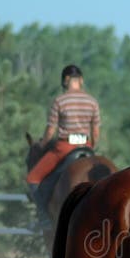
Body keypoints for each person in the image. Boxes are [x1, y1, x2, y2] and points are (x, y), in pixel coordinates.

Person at [26, 64, 101, 228]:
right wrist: (91, 147)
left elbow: (50, 129)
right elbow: (95, 132)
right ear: (81, 80)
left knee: (32, 178)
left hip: (64, 147)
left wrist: (42, 145)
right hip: (86, 145)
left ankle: (44, 219)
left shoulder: (60, 100)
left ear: (65, 81)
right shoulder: (92, 102)